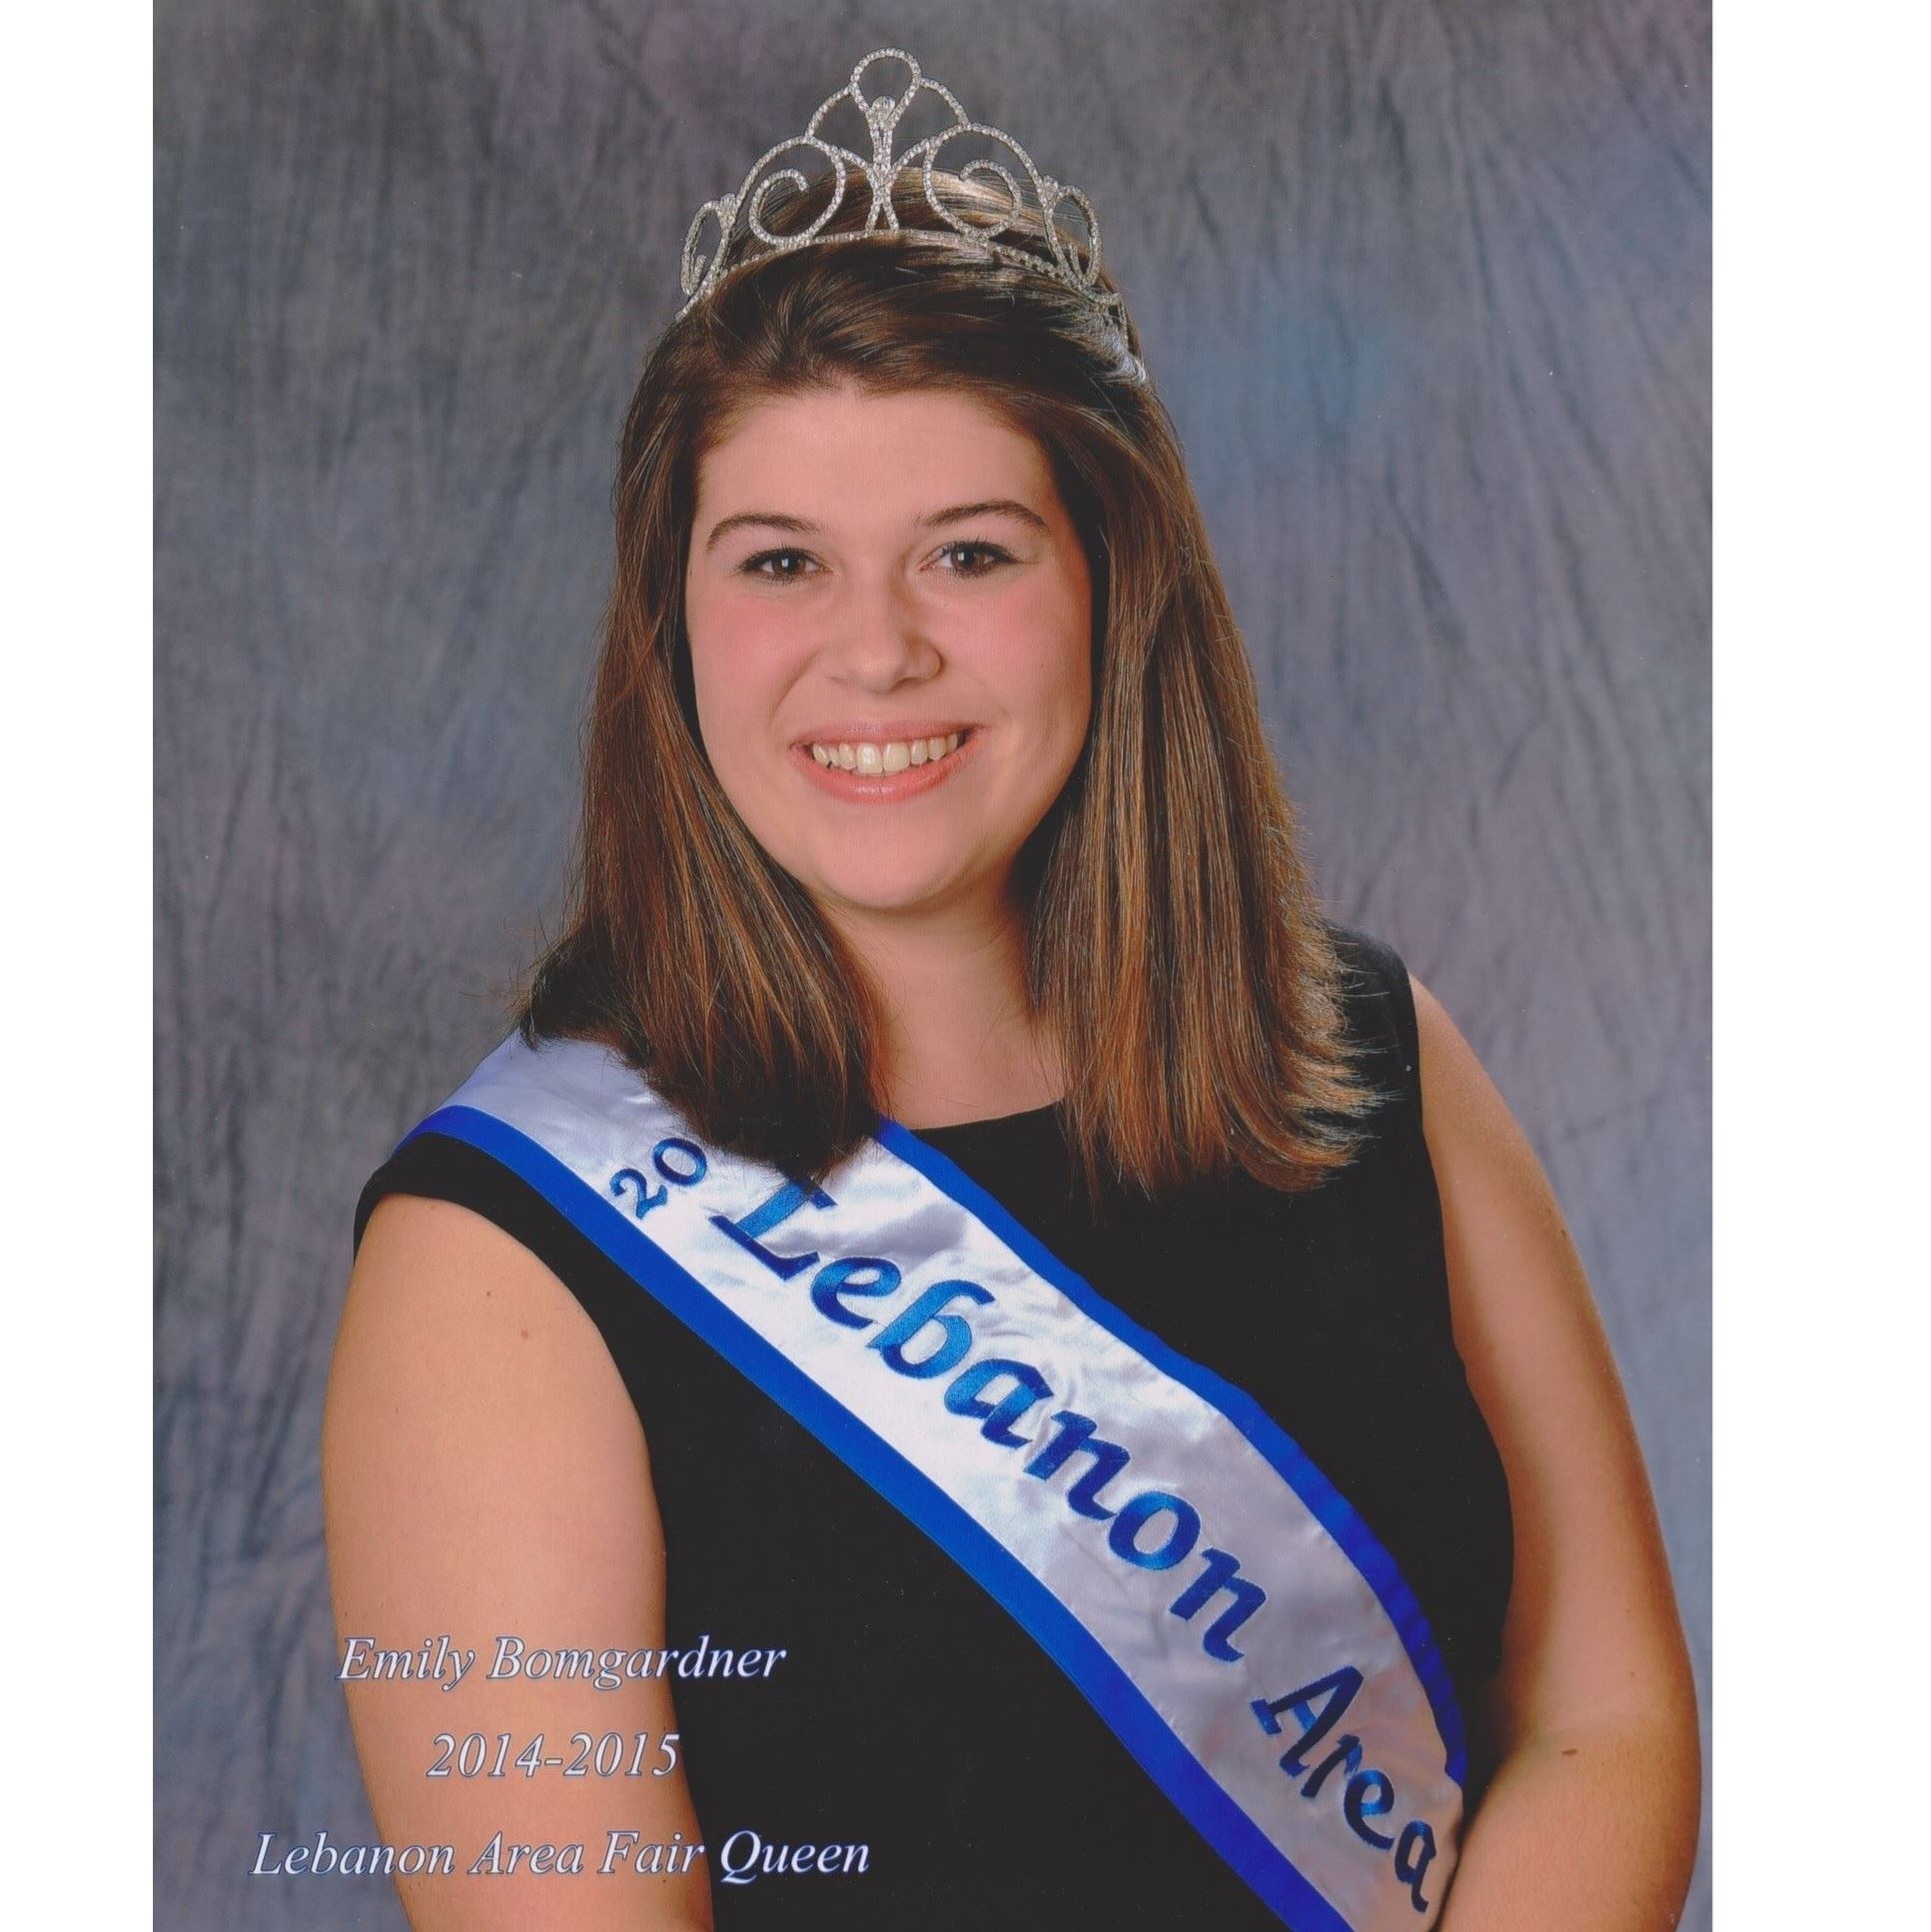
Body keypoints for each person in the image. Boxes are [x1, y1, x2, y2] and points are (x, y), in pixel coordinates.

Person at [324, 48, 1699, 1932]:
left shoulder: (1370, 1058)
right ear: (674, 625)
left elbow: (1600, 1718)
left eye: (967, 553)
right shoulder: (501, 1256)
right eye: (780, 562)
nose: (873, 651)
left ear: (1109, 583)